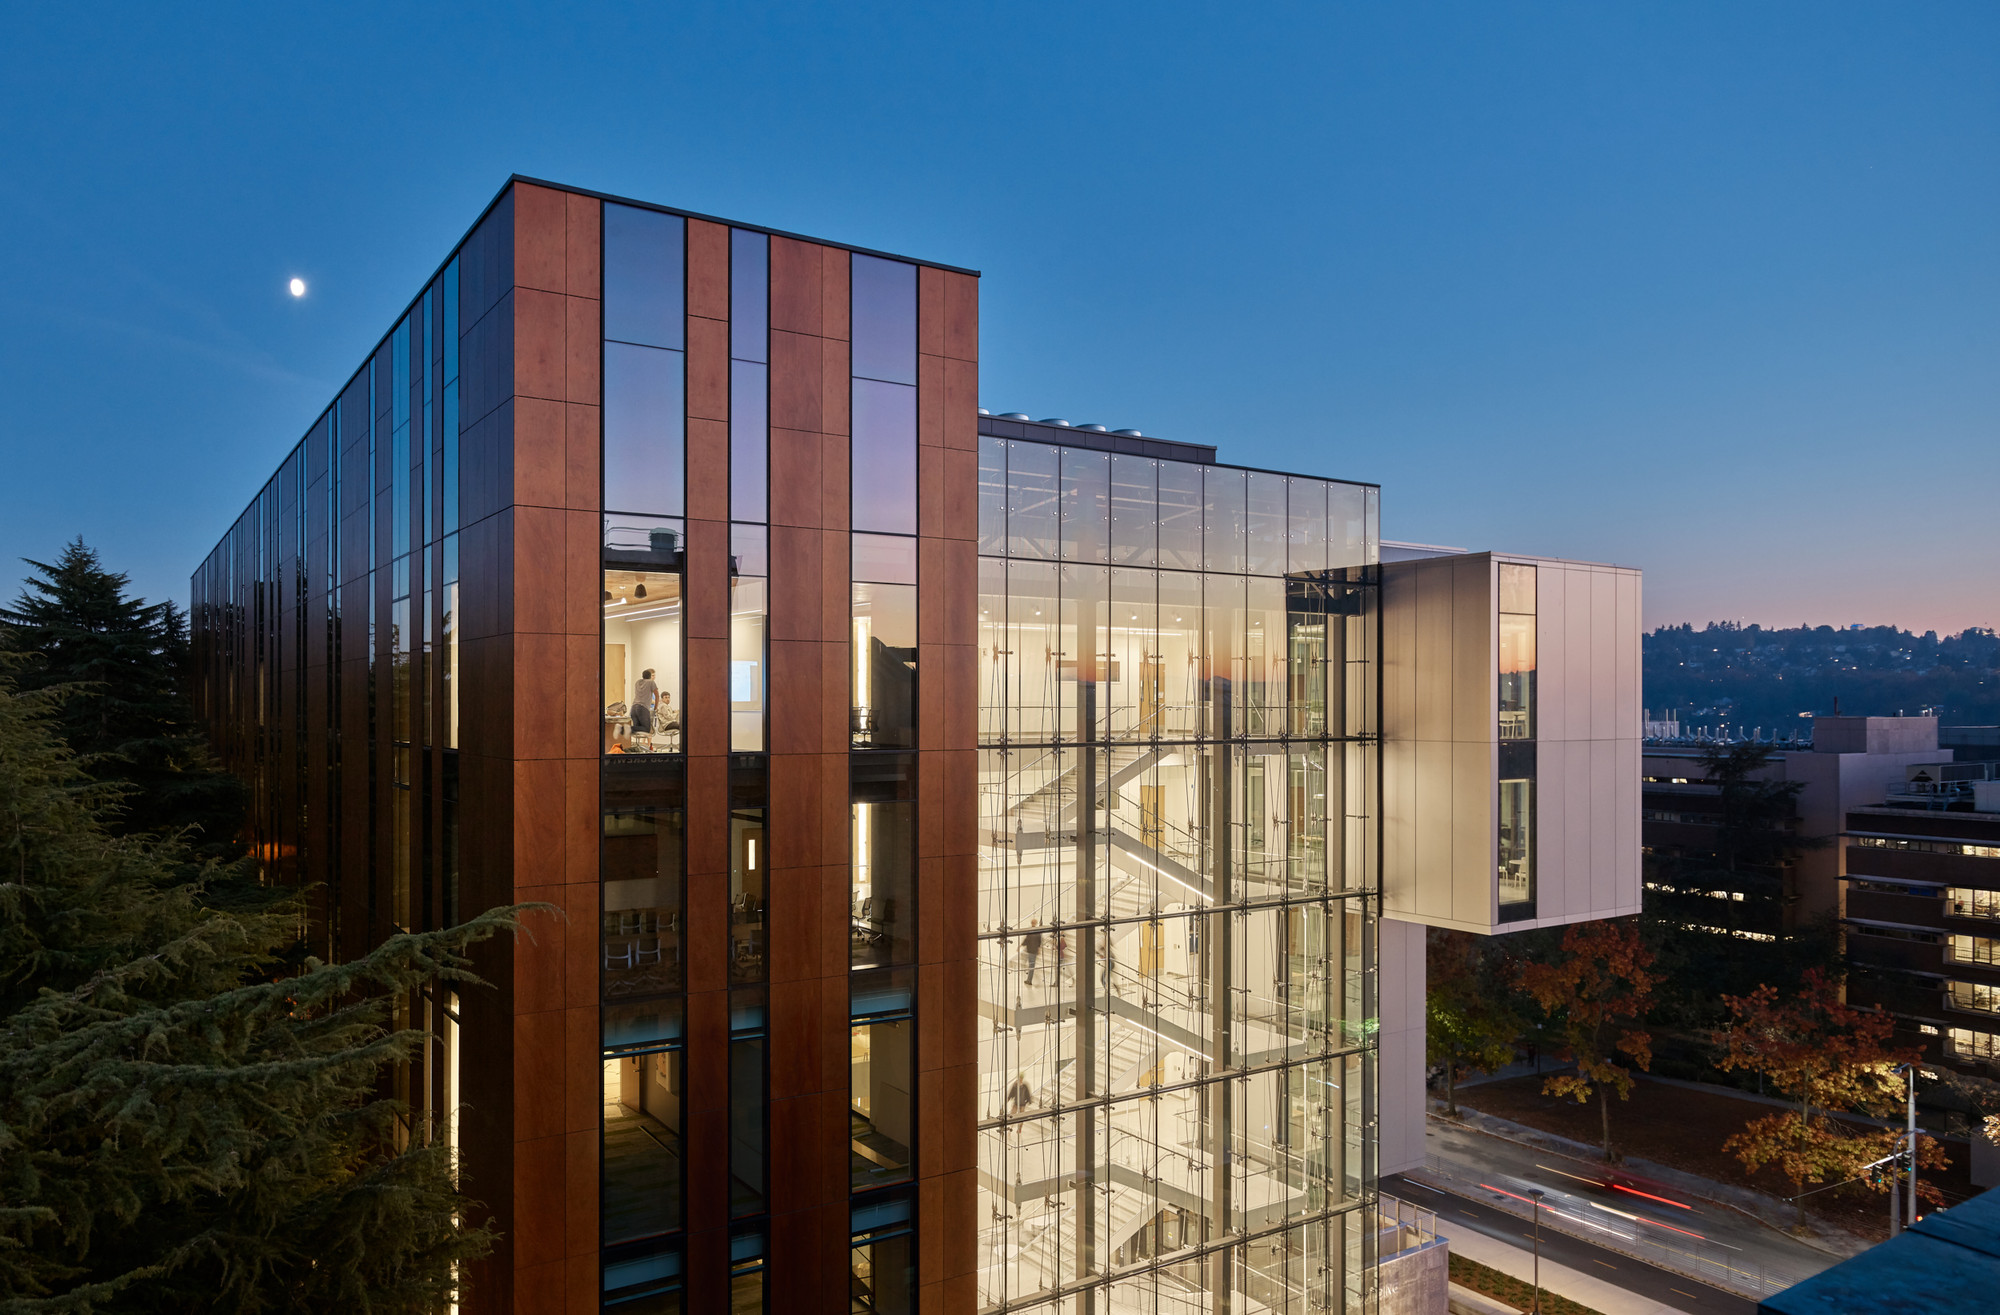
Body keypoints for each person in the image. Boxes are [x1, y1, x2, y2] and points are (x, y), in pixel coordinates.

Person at [1023, 919, 1043, 987]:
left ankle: (1029, 980)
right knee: (1031, 965)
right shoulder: (1037, 931)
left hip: (1031, 951)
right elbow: (1039, 941)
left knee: (1031, 966)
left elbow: (1027, 940)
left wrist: (1021, 945)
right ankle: (1029, 979)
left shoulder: (1031, 931)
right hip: (1032, 950)